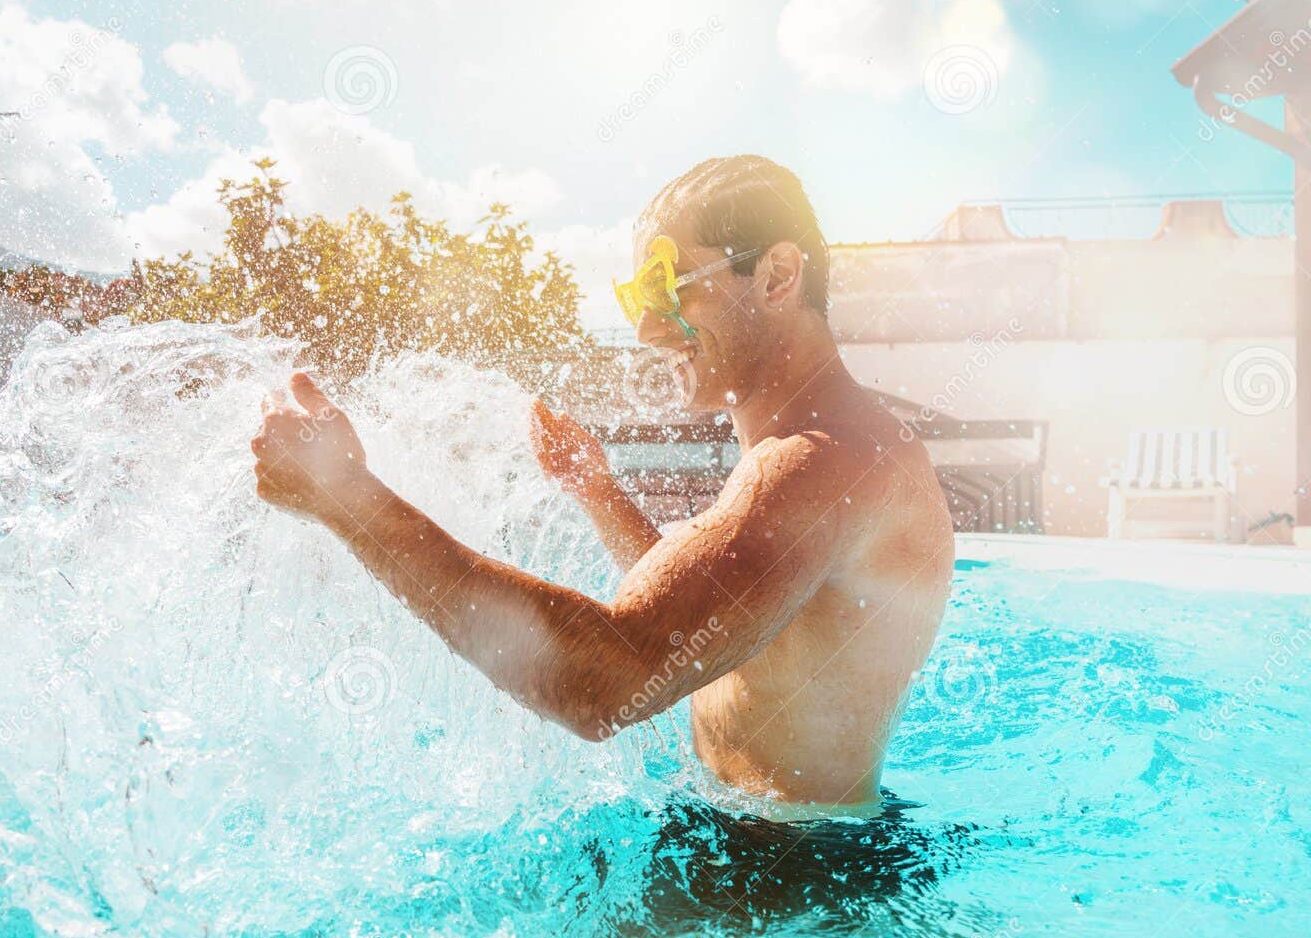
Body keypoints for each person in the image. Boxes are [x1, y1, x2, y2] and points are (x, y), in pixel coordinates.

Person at [252, 155, 953, 813]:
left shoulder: (820, 464)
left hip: (789, 881)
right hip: (783, 851)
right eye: (637, 297)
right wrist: (594, 487)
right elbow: (708, 616)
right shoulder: (823, 453)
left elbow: (608, 682)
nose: (648, 328)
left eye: (669, 286)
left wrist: (347, 500)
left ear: (776, 277)